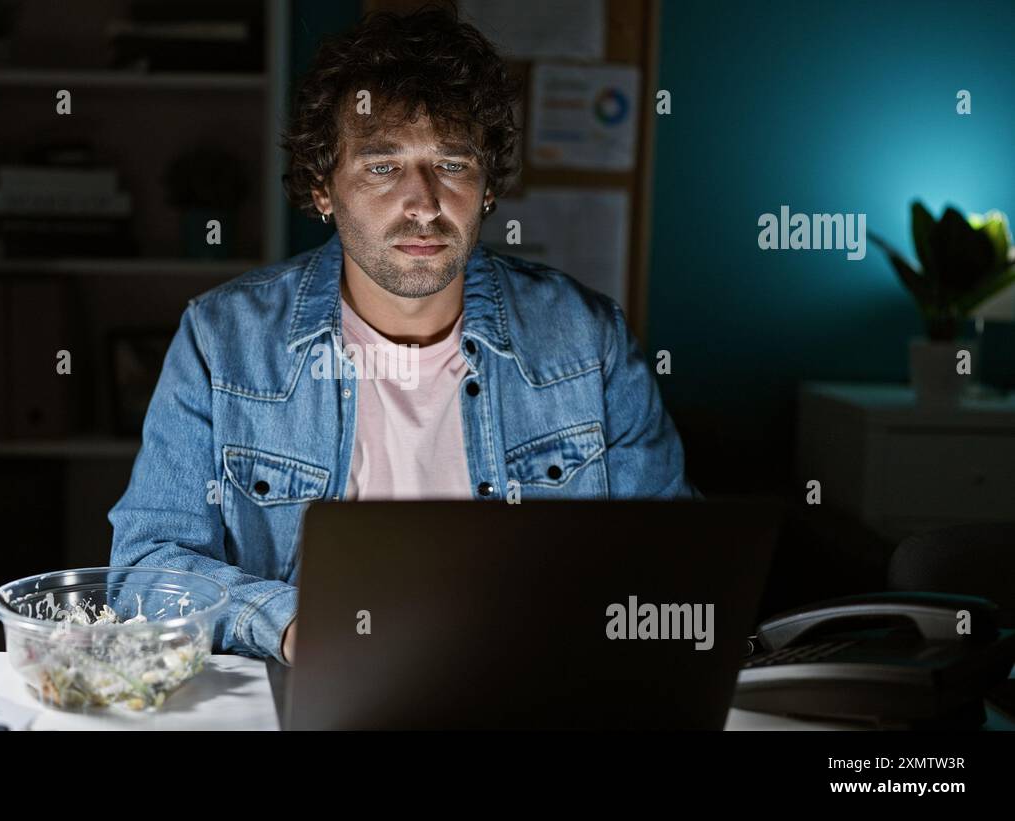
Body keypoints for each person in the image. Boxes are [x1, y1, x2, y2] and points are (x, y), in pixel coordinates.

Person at [110, 5, 697, 666]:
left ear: (487, 188)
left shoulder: (589, 340)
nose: (423, 203)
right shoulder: (222, 339)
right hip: (315, 694)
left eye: (452, 164)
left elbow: (674, 561)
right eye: (383, 167)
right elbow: (145, 567)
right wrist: (293, 623)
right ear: (321, 187)